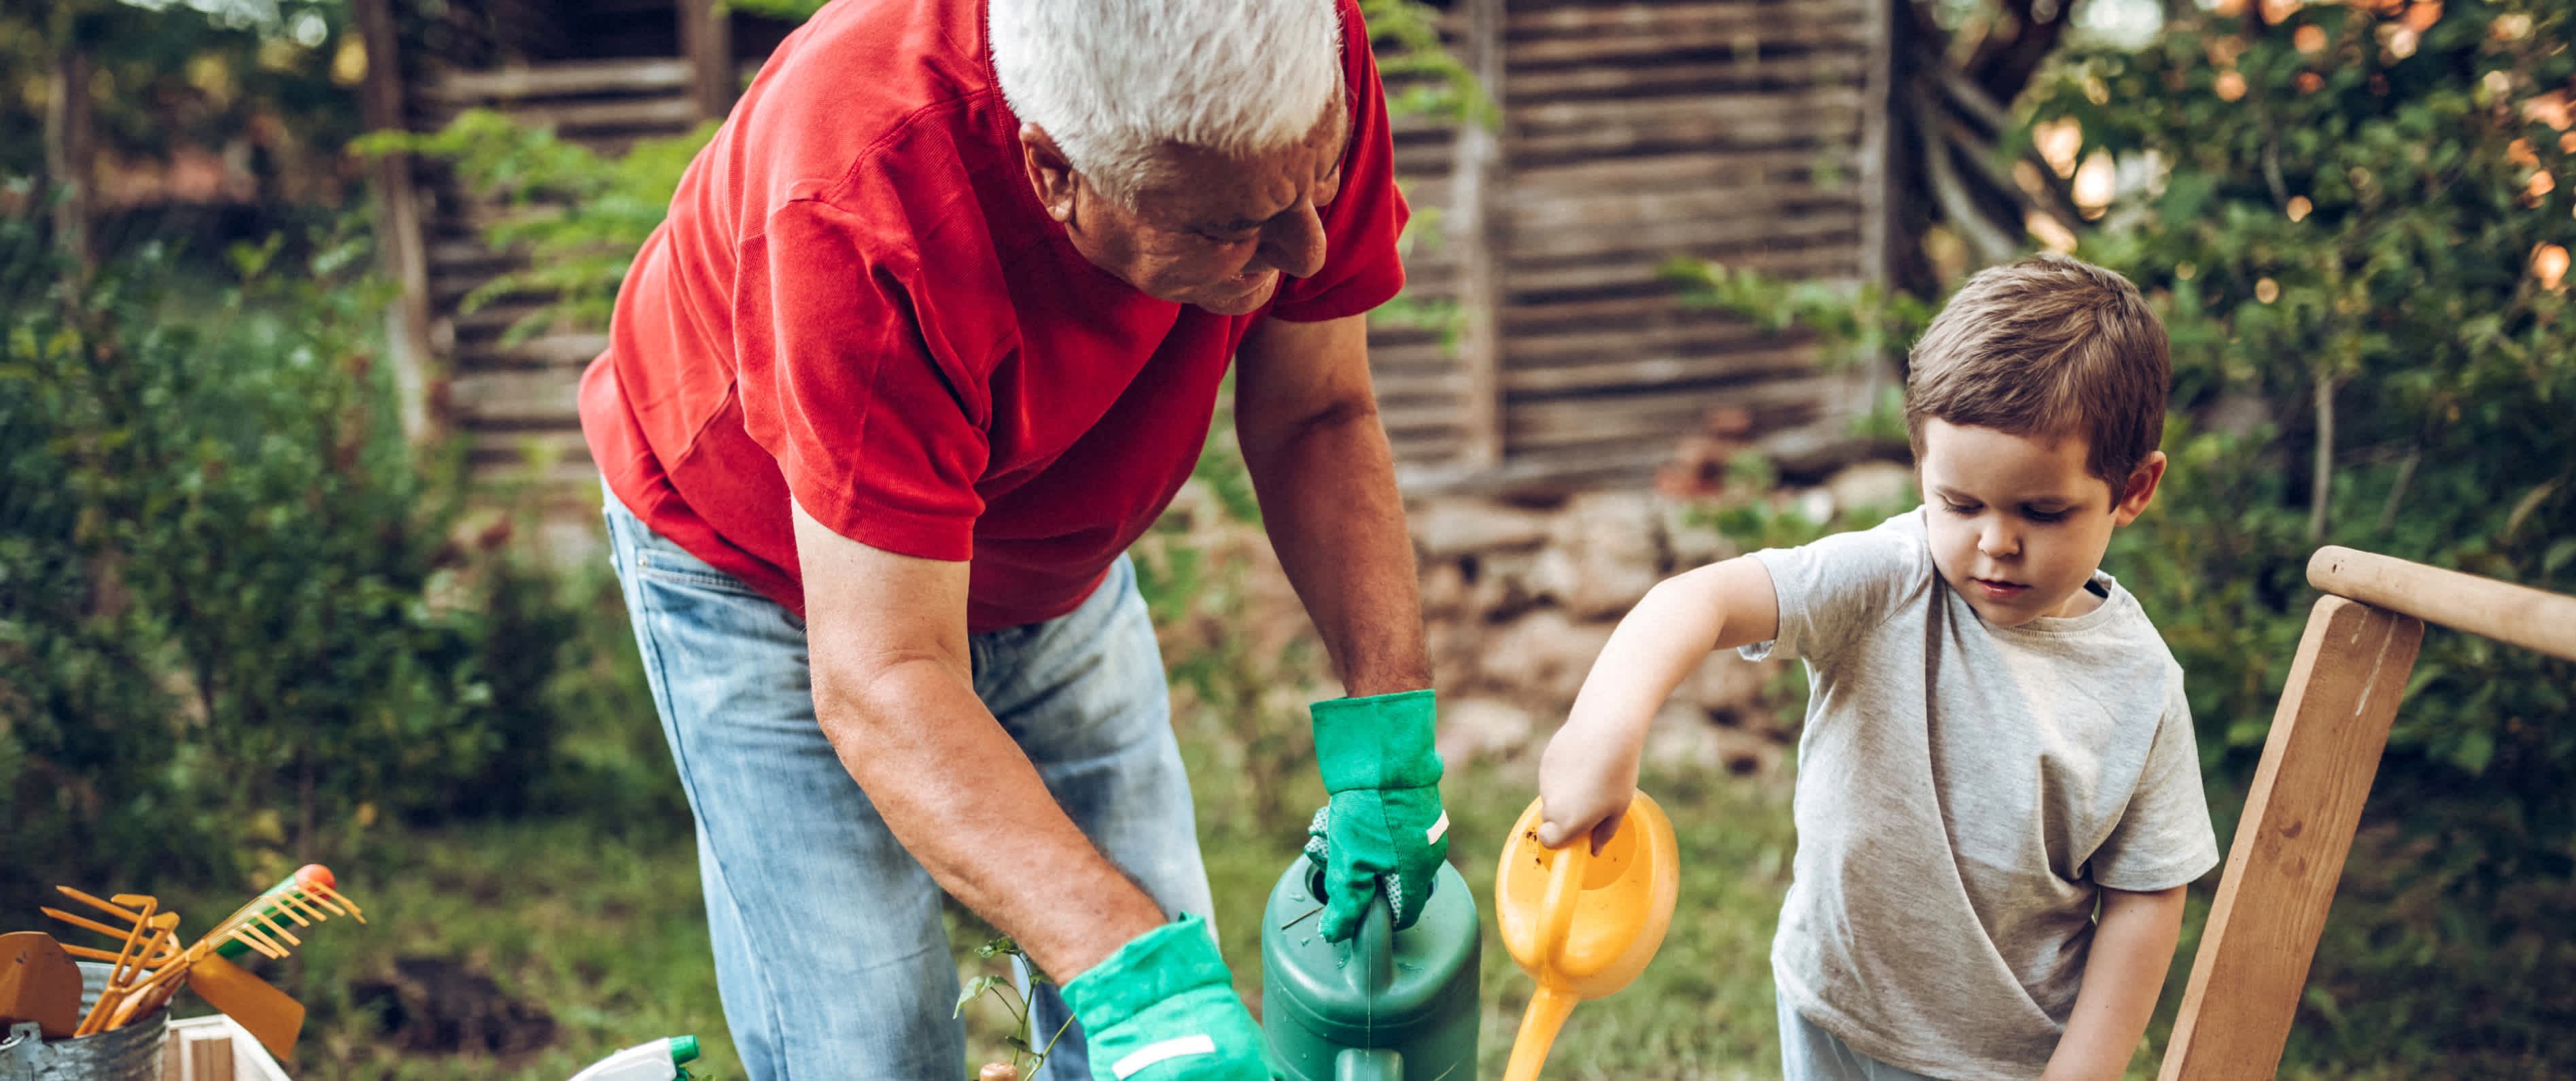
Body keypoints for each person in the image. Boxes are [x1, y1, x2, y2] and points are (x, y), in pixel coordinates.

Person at [576, 0, 1451, 1077]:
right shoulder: (861, 208)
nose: (1306, 249)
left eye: (1313, 185)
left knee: (1158, 997)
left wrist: (1389, 742)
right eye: (1228, 227)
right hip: (769, 573)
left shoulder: (1294, 68)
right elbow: (885, 672)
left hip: (1051, 562)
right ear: (1055, 172)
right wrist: (1138, 974)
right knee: (877, 1043)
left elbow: (1317, 412)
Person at [1533, 257, 2221, 1080]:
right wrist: (1606, 727)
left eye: (2041, 512)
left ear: (2134, 488)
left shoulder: (2140, 688)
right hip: (1832, 1008)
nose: (1994, 542)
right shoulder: (1888, 577)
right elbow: (1698, 601)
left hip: (2003, 1057)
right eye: (1959, 504)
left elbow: (2146, 899)